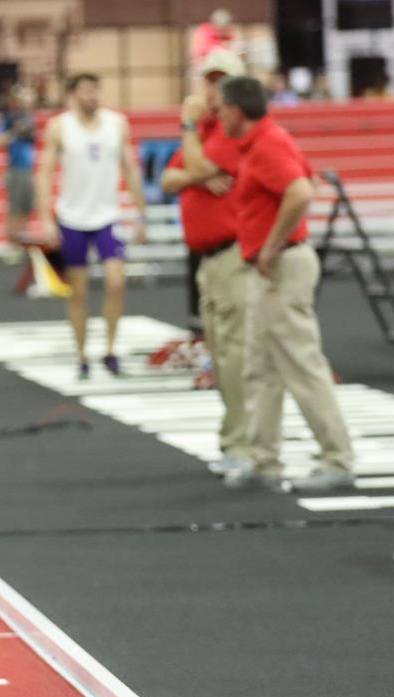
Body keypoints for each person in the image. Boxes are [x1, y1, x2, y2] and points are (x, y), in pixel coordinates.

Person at [217, 75, 356, 493]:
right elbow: (304, 182)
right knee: (259, 366)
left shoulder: (266, 144)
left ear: (236, 111)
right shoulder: (266, 140)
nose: (218, 115)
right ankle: (263, 460)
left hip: (281, 267)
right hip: (271, 268)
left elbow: (298, 191)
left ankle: (337, 458)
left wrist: (272, 245)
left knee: (301, 364)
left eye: (221, 108)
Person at [161, 49, 251, 477]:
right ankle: (238, 443)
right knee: (221, 354)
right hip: (208, 259)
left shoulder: (234, 130)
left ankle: (248, 447)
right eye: (208, 80)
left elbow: (192, 166)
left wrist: (188, 129)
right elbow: (171, 177)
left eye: (221, 81)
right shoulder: (208, 129)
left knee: (237, 356)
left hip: (234, 255)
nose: (211, 90)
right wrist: (198, 172)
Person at [35, 72, 147, 378]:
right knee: (79, 292)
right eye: (85, 91)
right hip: (72, 217)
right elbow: (44, 172)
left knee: (115, 282)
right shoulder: (61, 127)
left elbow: (130, 167)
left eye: (95, 90)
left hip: (107, 216)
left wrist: (141, 212)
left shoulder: (117, 124)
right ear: (73, 94)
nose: (91, 96)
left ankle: (110, 350)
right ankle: (82, 355)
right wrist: (46, 217)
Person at [0, 84, 37, 263]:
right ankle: (11, 245)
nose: (28, 100)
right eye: (24, 97)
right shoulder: (8, 118)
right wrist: (14, 131)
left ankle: (22, 243)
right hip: (16, 169)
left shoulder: (29, 117)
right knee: (15, 208)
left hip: (28, 169)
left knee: (26, 208)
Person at [190, 8, 240, 74]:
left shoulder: (228, 32)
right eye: (221, 27)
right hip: (206, 65)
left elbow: (233, 46)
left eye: (225, 27)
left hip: (225, 67)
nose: (223, 30)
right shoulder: (205, 31)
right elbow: (200, 51)